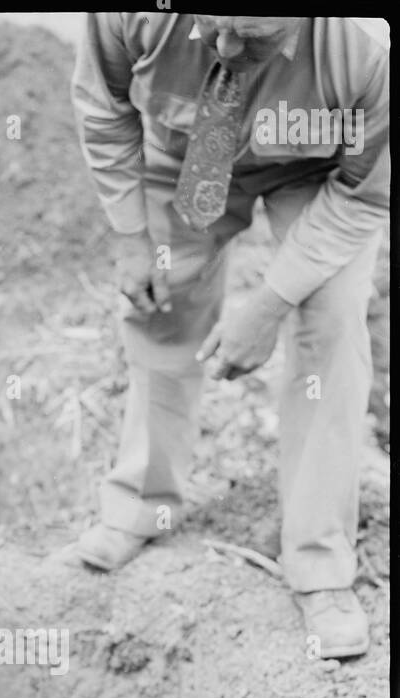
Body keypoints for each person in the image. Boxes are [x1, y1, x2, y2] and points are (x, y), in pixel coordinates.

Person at [71, 15, 389, 659]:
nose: (224, 49)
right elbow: (104, 109)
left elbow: (365, 194)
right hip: (181, 152)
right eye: (213, 27)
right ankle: (141, 503)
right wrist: (130, 236)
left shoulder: (369, 49)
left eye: (252, 39)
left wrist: (267, 306)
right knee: (160, 304)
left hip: (319, 176)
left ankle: (320, 567)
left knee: (329, 324)